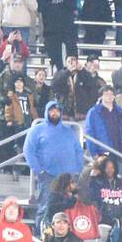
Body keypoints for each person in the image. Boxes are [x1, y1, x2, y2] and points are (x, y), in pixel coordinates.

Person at [24, 99, 86, 232]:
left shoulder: (69, 131)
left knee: (69, 208)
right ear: (47, 112)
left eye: (57, 111)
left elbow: (78, 151)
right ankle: (41, 237)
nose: (54, 113)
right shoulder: (37, 130)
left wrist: (78, 170)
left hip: (68, 178)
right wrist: (39, 171)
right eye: (52, 110)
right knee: (45, 207)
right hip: (48, 176)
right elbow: (28, 150)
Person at [40, 0, 79, 69]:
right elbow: (41, 8)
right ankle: (58, 70)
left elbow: (73, 7)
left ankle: (72, 69)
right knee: (54, 54)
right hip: (51, 30)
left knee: (72, 50)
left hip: (68, 29)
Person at [84, 83, 122, 159]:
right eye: (106, 94)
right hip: (102, 154)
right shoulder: (93, 112)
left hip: (119, 153)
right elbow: (90, 133)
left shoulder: (121, 112)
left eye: (111, 94)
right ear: (101, 96)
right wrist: (93, 153)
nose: (109, 96)